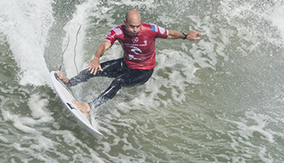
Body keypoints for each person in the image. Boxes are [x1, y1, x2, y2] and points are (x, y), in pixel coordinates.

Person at [55, 9, 201, 114]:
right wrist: (96, 58)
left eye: (137, 26)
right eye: (131, 26)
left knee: (117, 82)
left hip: (143, 71)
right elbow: (106, 44)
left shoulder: (150, 29)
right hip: (126, 64)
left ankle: (89, 107)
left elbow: (169, 34)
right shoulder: (118, 31)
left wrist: (185, 35)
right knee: (94, 69)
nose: (135, 30)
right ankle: (70, 82)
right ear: (125, 22)